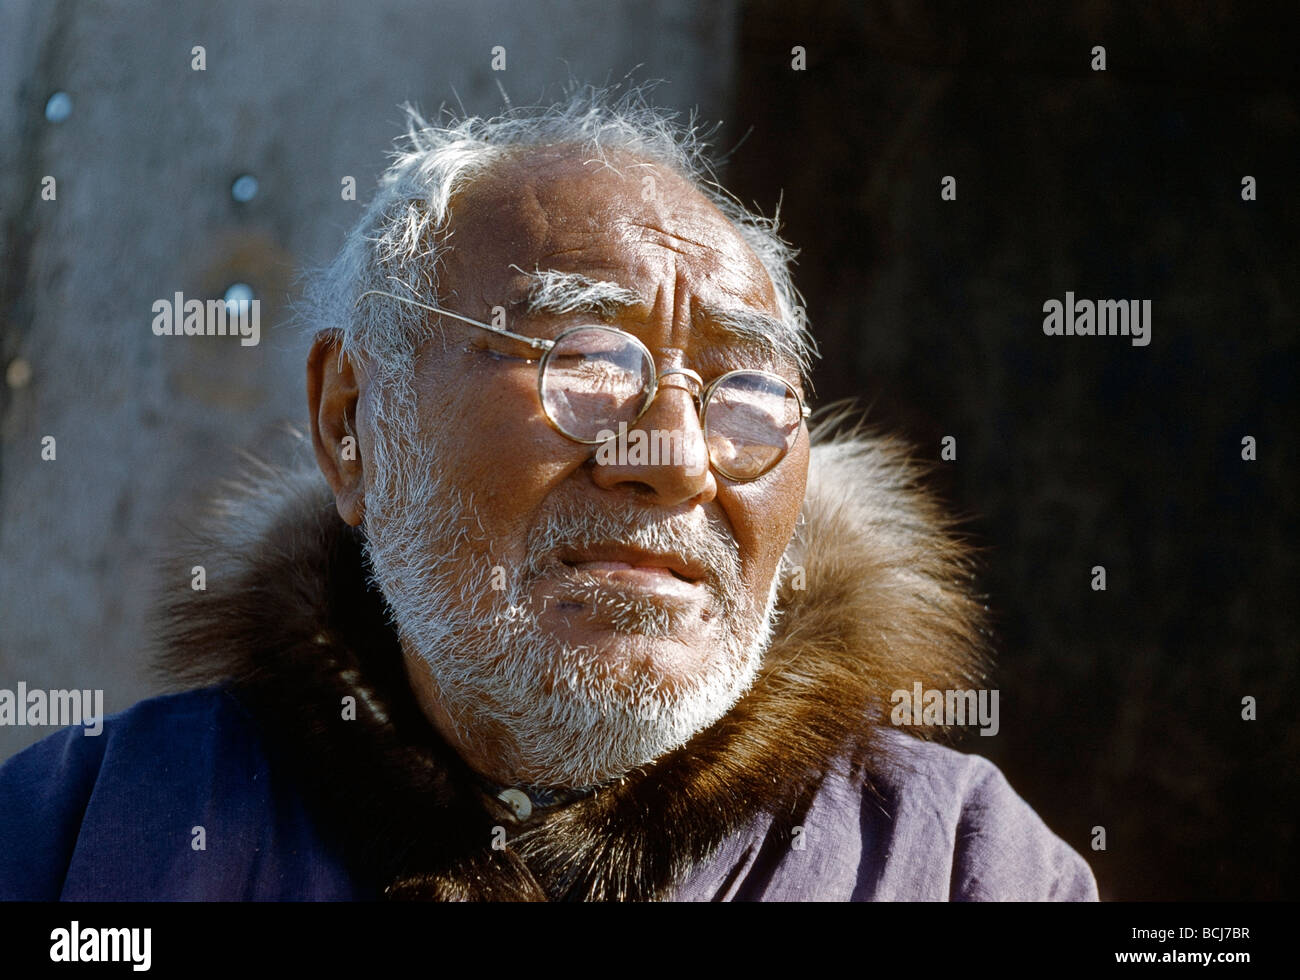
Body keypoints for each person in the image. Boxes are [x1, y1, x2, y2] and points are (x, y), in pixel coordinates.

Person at [0, 90, 1097, 901]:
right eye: (581, 358)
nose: (673, 456)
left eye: (746, 390)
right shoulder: (82, 836)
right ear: (351, 422)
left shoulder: (962, 863)